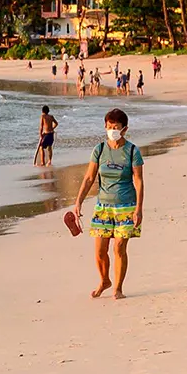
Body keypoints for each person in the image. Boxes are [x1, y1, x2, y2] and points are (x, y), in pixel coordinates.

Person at [66, 108, 145, 299]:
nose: (112, 130)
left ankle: (118, 287)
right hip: (103, 206)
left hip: (126, 206)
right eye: (109, 127)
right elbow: (89, 178)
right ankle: (104, 280)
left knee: (119, 247)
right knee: (100, 251)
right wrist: (78, 203)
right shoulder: (99, 149)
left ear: (124, 129)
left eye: (116, 127)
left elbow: (139, 180)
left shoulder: (132, 151)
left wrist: (139, 210)